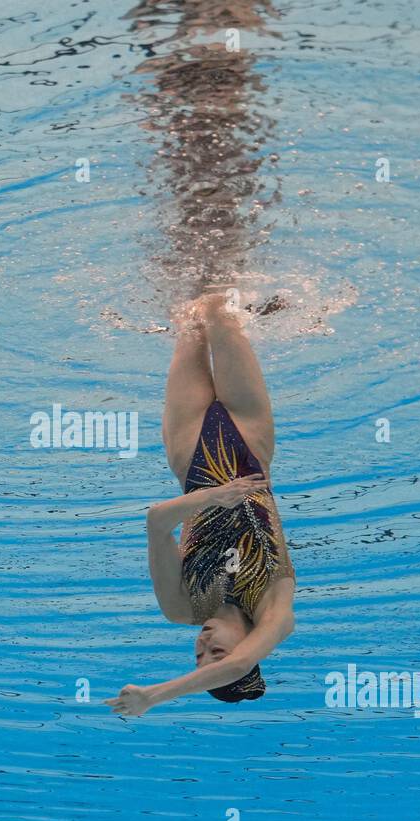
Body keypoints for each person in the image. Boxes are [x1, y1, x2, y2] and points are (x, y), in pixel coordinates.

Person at [107, 290, 295, 716]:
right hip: (250, 442)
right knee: (219, 311)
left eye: (198, 657)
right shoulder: (274, 611)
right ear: (245, 649)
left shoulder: (181, 608)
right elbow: (244, 663)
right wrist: (154, 696)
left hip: (191, 453)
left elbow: (156, 522)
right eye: (216, 655)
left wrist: (210, 496)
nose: (204, 645)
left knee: (189, 315)